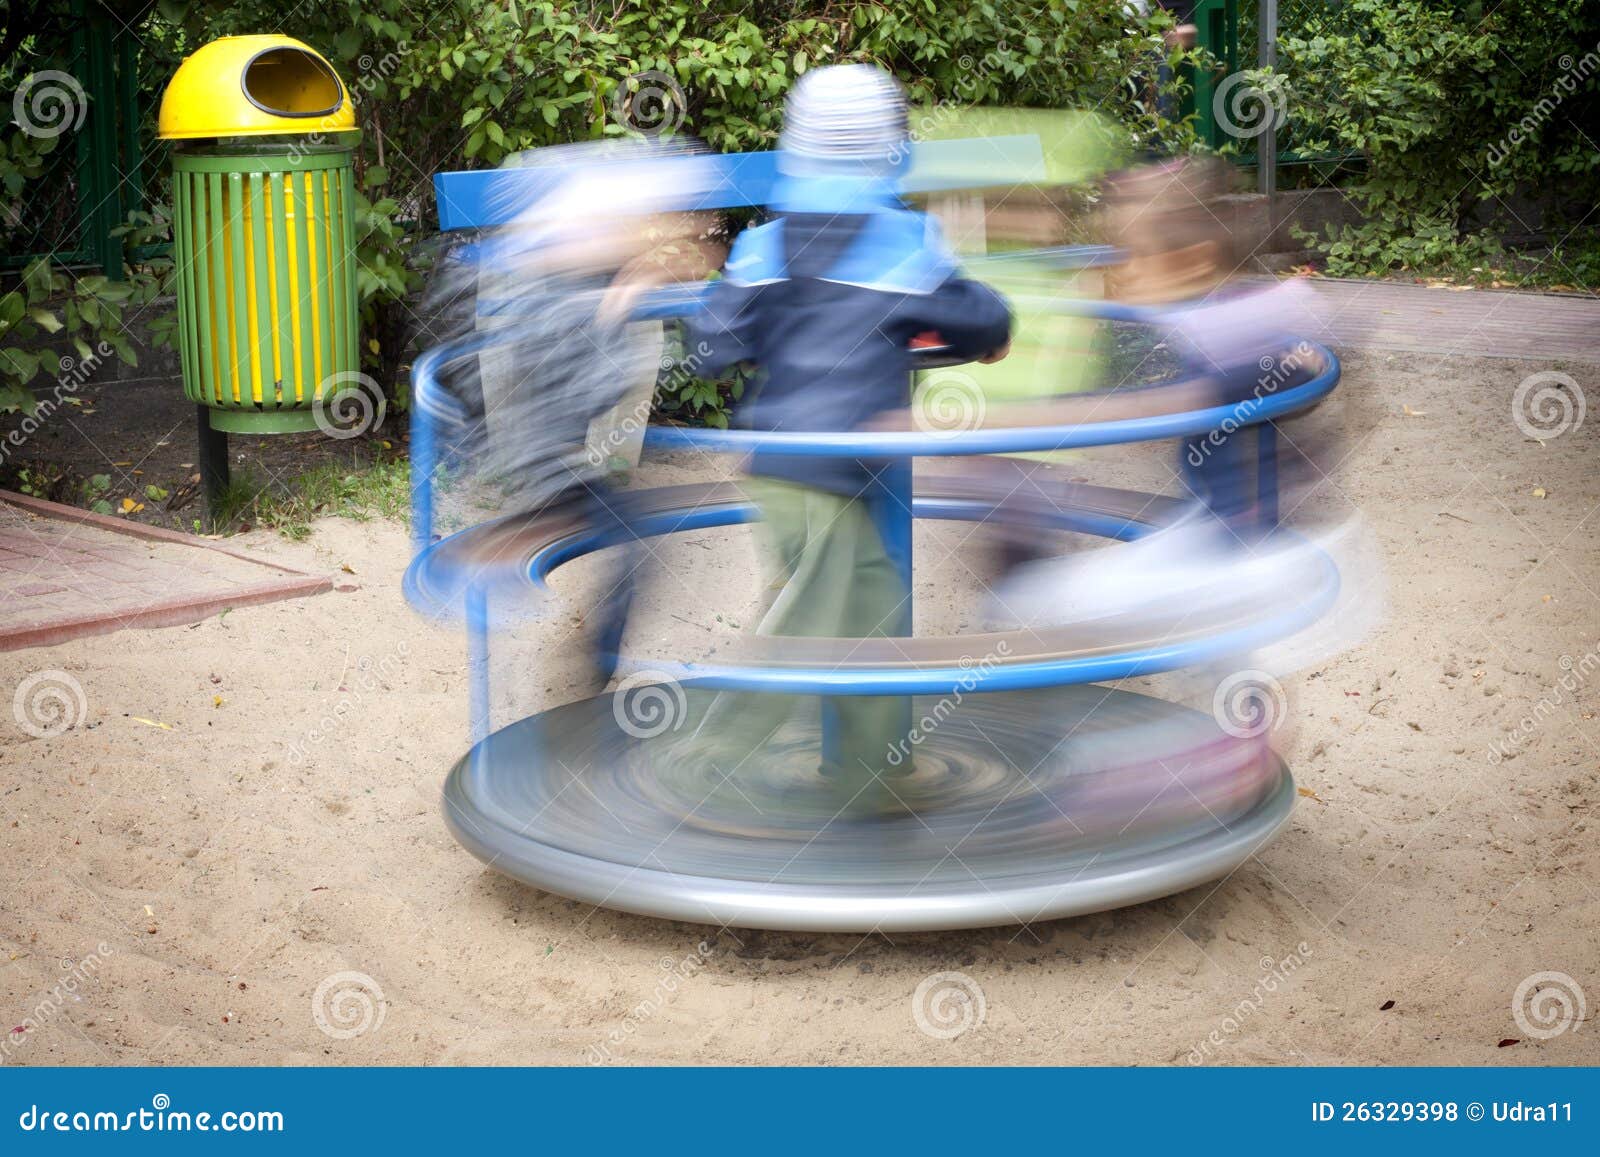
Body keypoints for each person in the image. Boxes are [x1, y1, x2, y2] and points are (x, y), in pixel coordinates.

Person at [684, 63, 1012, 806]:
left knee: (871, 617)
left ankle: (873, 777)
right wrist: (973, 336)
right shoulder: (904, 242)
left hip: (779, 465)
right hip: (837, 470)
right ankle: (701, 757)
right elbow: (978, 319)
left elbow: (709, 345)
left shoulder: (764, 248)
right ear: (891, 150)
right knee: (815, 620)